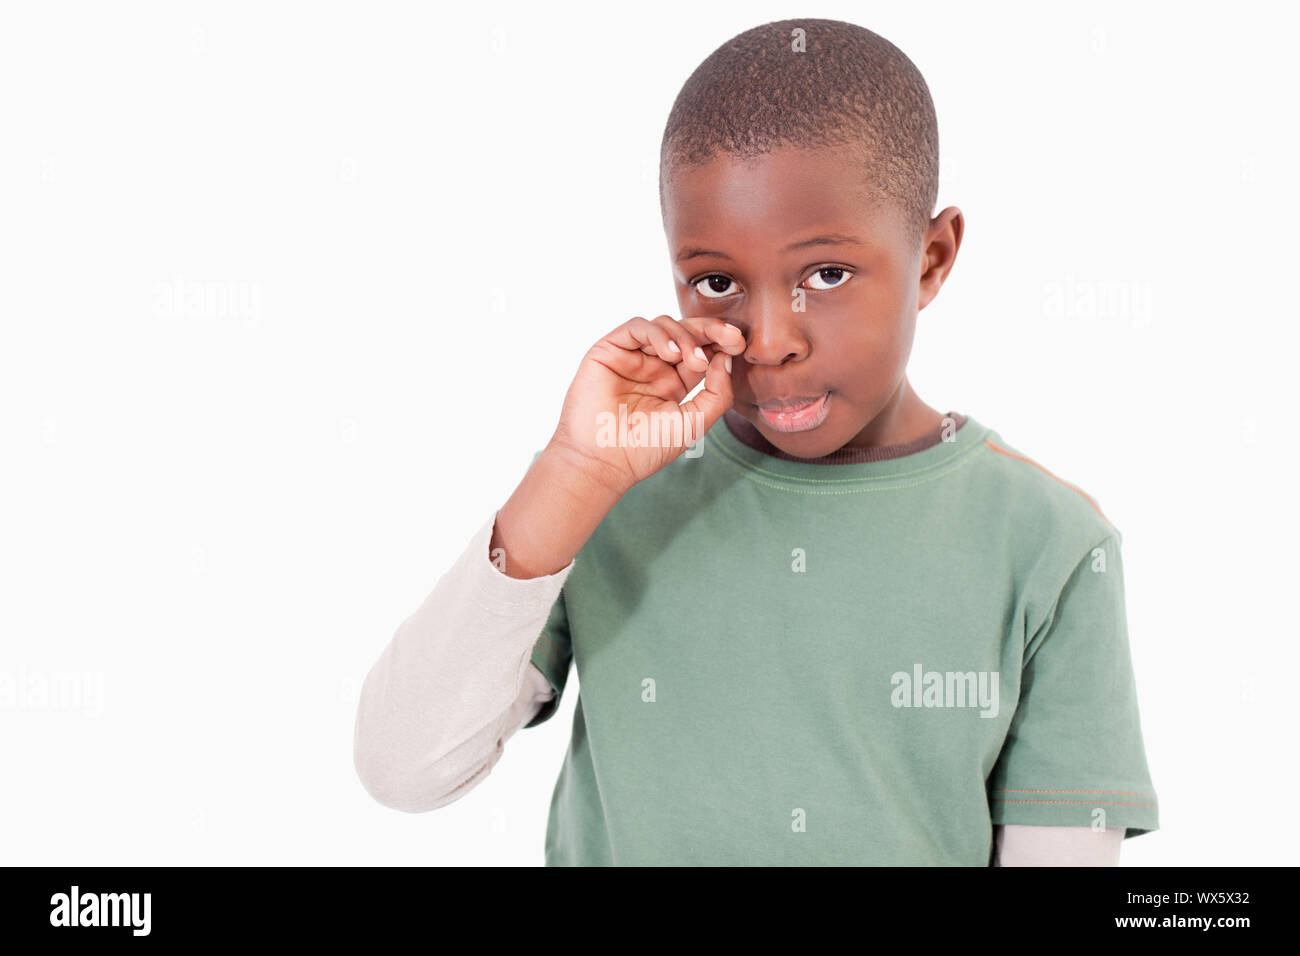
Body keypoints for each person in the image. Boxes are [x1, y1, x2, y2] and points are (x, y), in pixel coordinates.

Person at [353, 17, 1159, 866]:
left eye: (827, 275)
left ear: (931, 258)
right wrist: (575, 476)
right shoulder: (605, 497)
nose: (770, 337)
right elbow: (402, 769)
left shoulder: (1051, 545)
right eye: (717, 282)